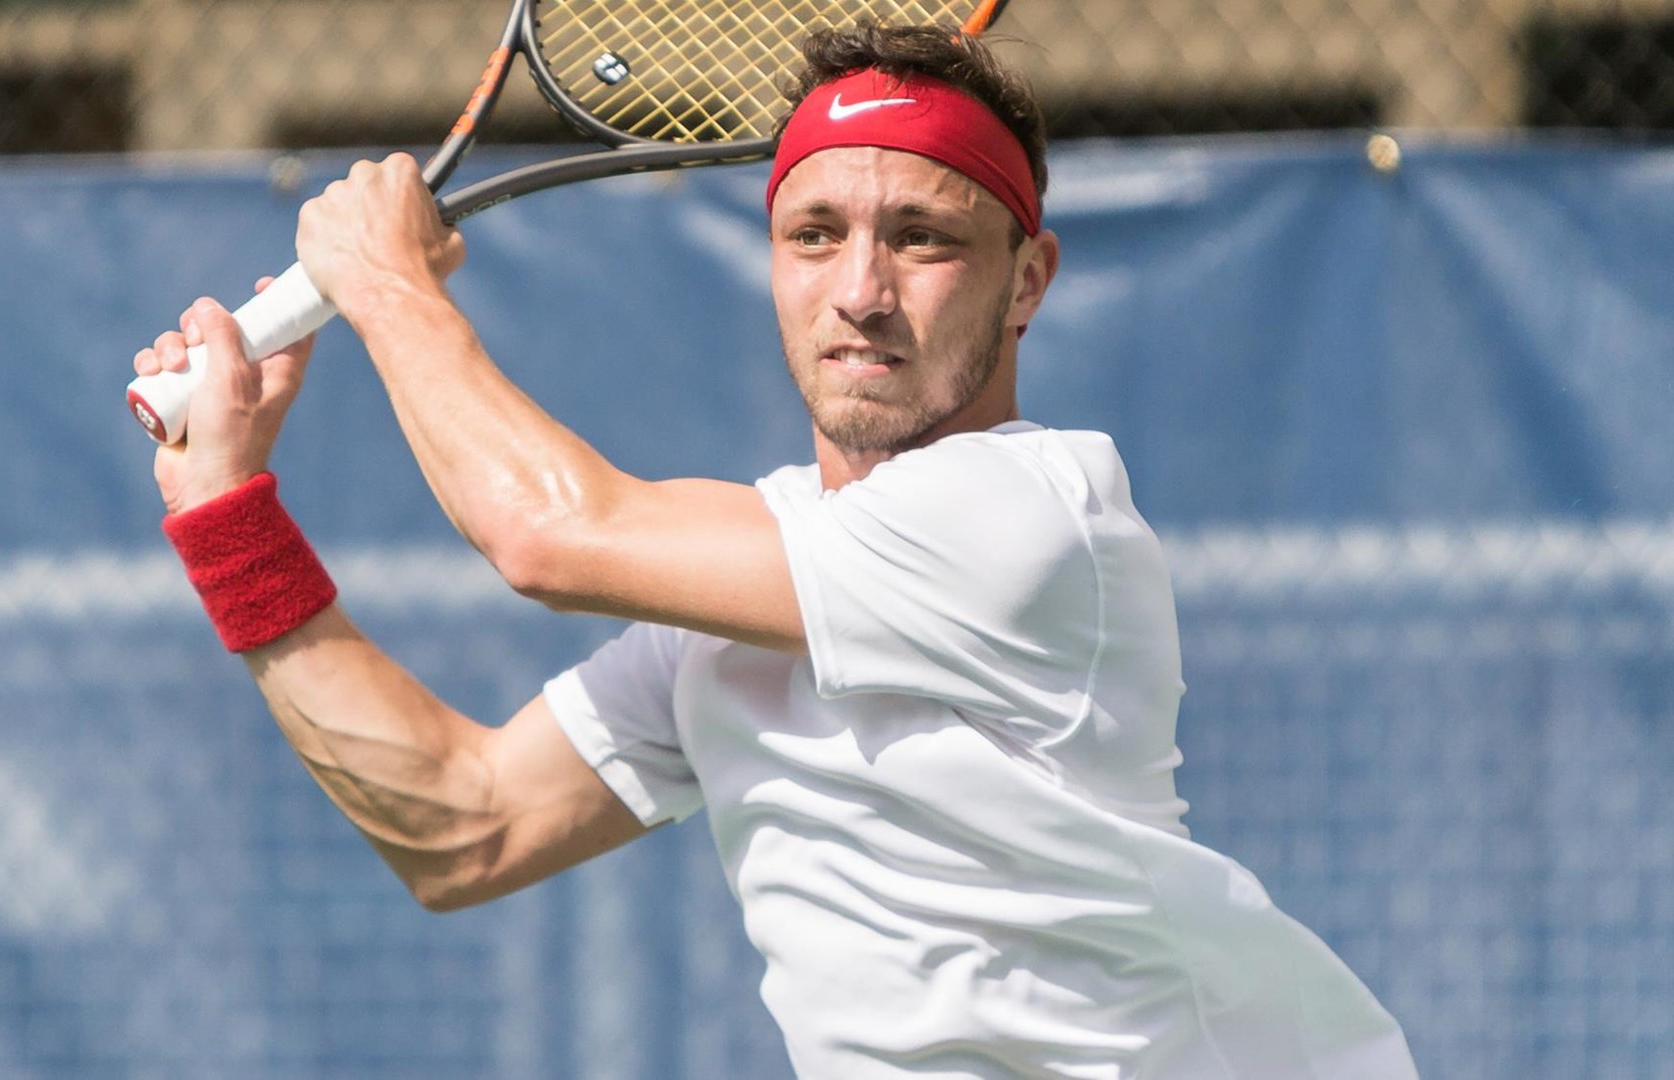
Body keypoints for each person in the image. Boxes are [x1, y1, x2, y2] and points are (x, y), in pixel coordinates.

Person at [132, 23, 1419, 1079]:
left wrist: (383, 280)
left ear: (1027, 280)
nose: (861, 289)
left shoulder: (1032, 516)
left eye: (922, 237)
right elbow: (465, 824)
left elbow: (546, 534)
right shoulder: (743, 605)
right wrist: (227, 517)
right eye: (815, 236)